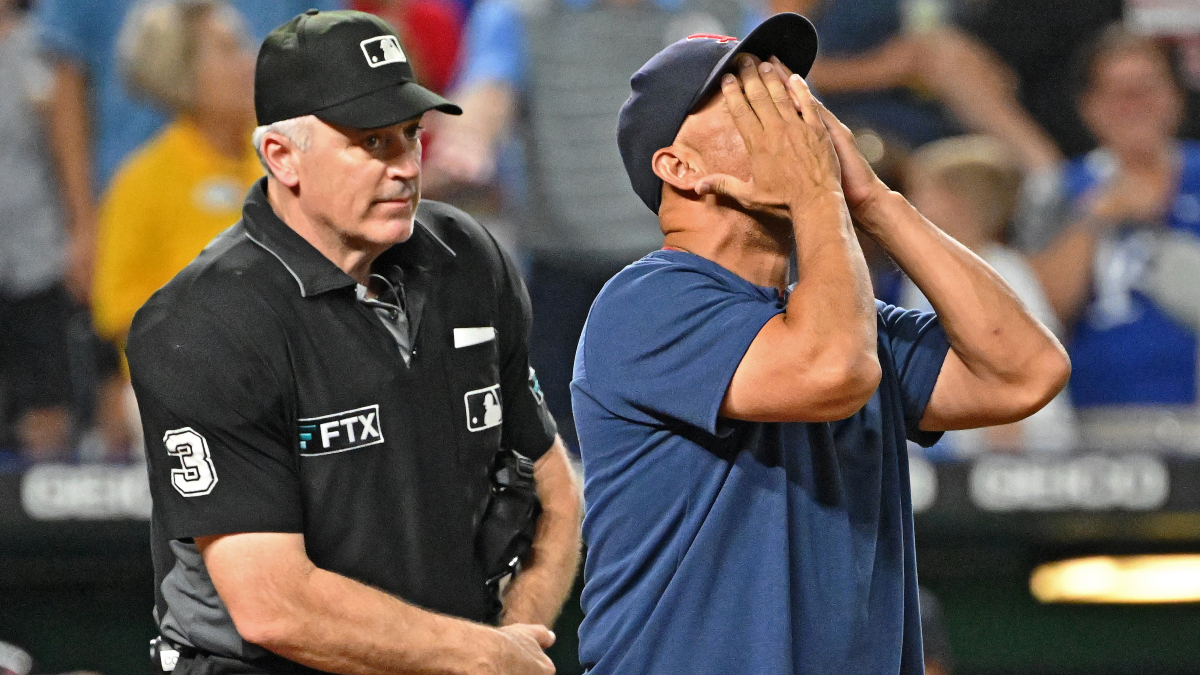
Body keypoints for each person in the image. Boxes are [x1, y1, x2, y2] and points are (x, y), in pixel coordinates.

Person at [571, 15, 1070, 675]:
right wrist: (814, 193)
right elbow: (830, 367)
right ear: (679, 167)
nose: (791, 116)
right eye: (749, 99)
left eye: (792, 93)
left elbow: (1025, 373)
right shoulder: (646, 303)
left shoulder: (852, 321)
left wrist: (877, 200)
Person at [125, 10, 580, 675]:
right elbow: (274, 602)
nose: (404, 167)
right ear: (281, 157)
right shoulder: (203, 322)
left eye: (410, 135)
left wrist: (513, 638)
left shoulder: (469, 260)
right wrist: (476, 653)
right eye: (371, 143)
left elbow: (556, 498)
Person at [424, 0, 746, 450]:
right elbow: (489, 86)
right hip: (563, 281)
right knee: (565, 456)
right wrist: (466, 138)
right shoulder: (519, 13)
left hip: (695, 277)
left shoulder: (728, 9)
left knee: (703, 450)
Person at [1033, 26, 1200, 448]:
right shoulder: (1059, 189)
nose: (1134, 106)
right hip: (1093, 423)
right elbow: (1041, 310)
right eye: (1117, 92)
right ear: (1089, 107)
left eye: (1145, 89)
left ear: (1175, 98)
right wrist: (1097, 217)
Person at [92, 0, 261, 348]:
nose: (249, 62)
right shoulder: (141, 183)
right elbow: (118, 313)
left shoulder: (286, 154)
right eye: (228, 50)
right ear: (181, 71)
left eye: (244, 45)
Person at [899, 135, 1079, 455]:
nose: (909, 201)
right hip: (947, 449)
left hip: (1015, 454)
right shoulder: (922, 274)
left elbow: (1010, 368)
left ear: (959, 203)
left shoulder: (1000, 272)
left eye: (922, 191)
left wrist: (1000, 467)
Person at [0, 0, 75, 460]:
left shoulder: (43, 44)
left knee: (46, 402)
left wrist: (79, 232)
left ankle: (41, 522)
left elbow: (67, 144)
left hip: (37, 248)